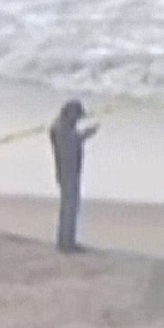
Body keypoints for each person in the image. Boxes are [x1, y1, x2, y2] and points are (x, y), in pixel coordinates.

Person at [49, 99, 97, 253]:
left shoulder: (61, 127)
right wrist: (86, 134)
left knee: (69, 207)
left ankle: (65, 240)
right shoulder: (62, 129)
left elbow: (73, 137)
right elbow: (72, 142)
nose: (77, 121)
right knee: (70, 207)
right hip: (67, 171)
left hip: (67, 170)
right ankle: (66, 243)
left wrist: (83, 135)